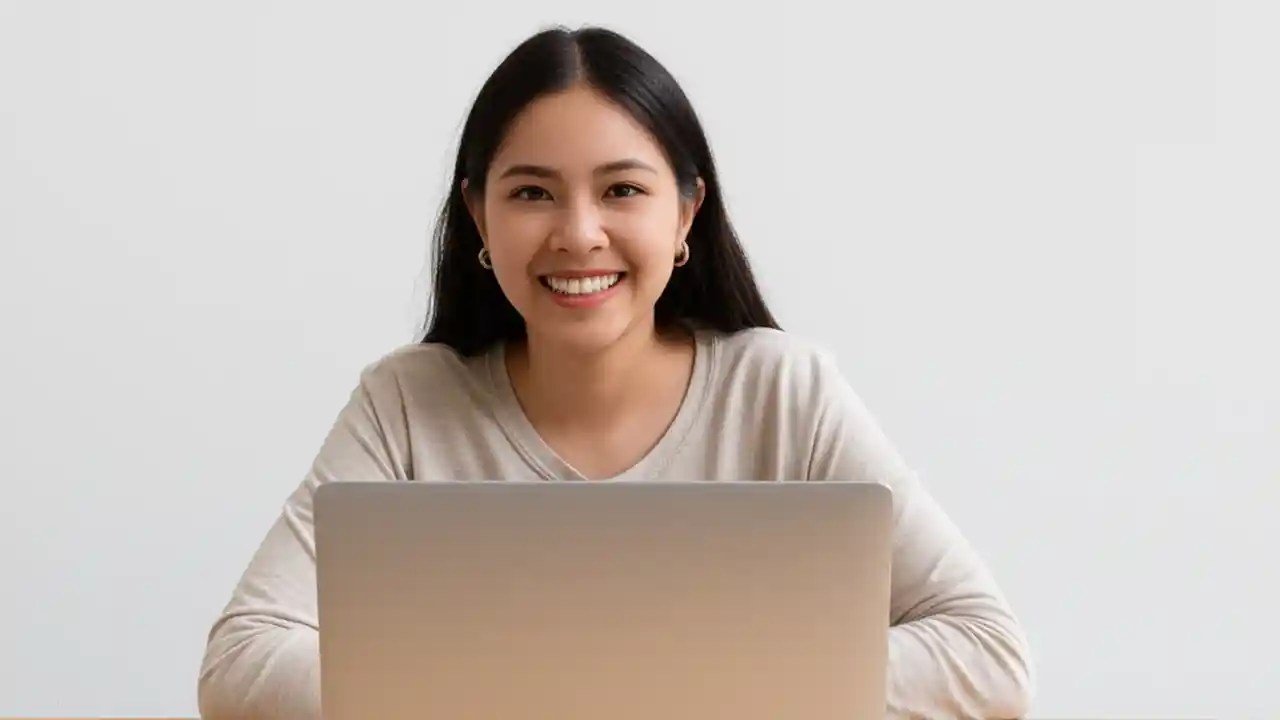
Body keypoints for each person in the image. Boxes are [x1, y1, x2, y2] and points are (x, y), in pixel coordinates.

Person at [197, 24, 1034, 720]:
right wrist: (557, 689)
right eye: (531, 193)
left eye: (623, 190)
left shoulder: (783, 392)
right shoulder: (406, 404)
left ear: (686, 215)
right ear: (478, 216)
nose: (579, 233)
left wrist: (671, 687)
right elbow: (240, 663)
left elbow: (986, 653)